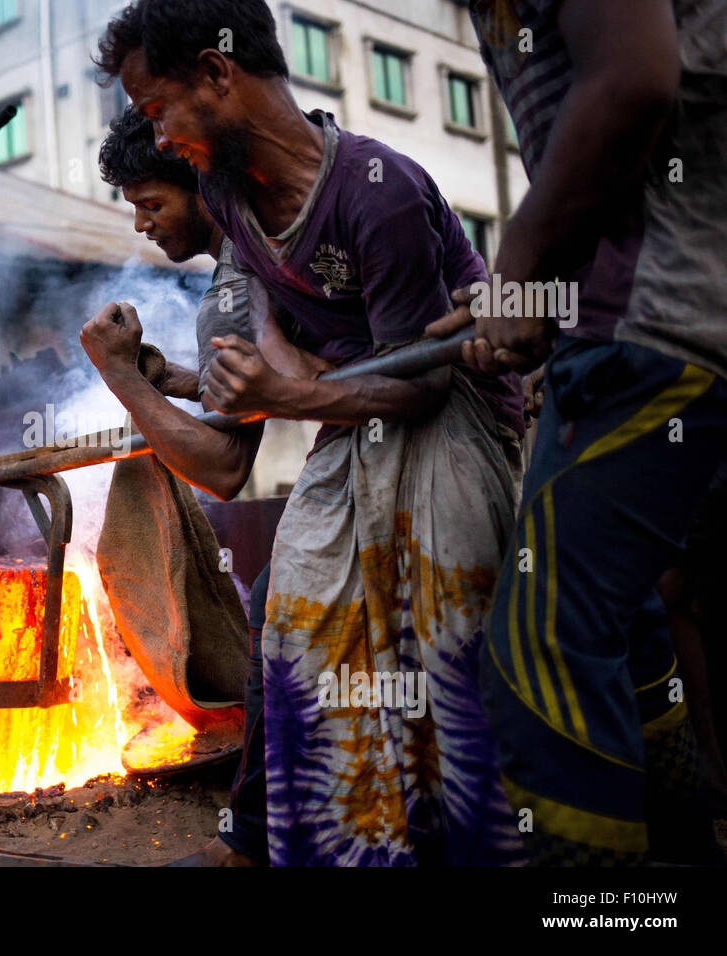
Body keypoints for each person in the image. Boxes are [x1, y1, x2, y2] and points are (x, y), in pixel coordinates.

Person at [98, 0, 526, 865]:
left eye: (157, 112)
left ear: (219, 74)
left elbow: (421, 385)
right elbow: (276, 348)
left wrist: (286, 389)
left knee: (441, 642)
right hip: (351, 426)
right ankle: (336, 844)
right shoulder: (225, 189)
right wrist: (243, 379)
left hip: (450, 425)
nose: (160, 136)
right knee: (293, 622)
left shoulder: (382, 192)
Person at [425, 0, 727, 865]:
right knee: (633, 620)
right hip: (647, 322)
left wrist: (519, 272)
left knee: (538, 665)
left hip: (665, 323)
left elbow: (633, 79)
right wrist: (536, 293)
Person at [84, 106, 331, 866]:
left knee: (282, 617)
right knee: (281, 619)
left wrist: (123, 376)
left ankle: (253, 842)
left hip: (409, 442)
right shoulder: (269, 236)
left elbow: (224, 471)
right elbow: (265, 390)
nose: (141, 226)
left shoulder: (236, 276)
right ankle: (260, 833)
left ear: (199, 184)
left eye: (150, 204)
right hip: (394, 429)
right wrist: (187, 383)